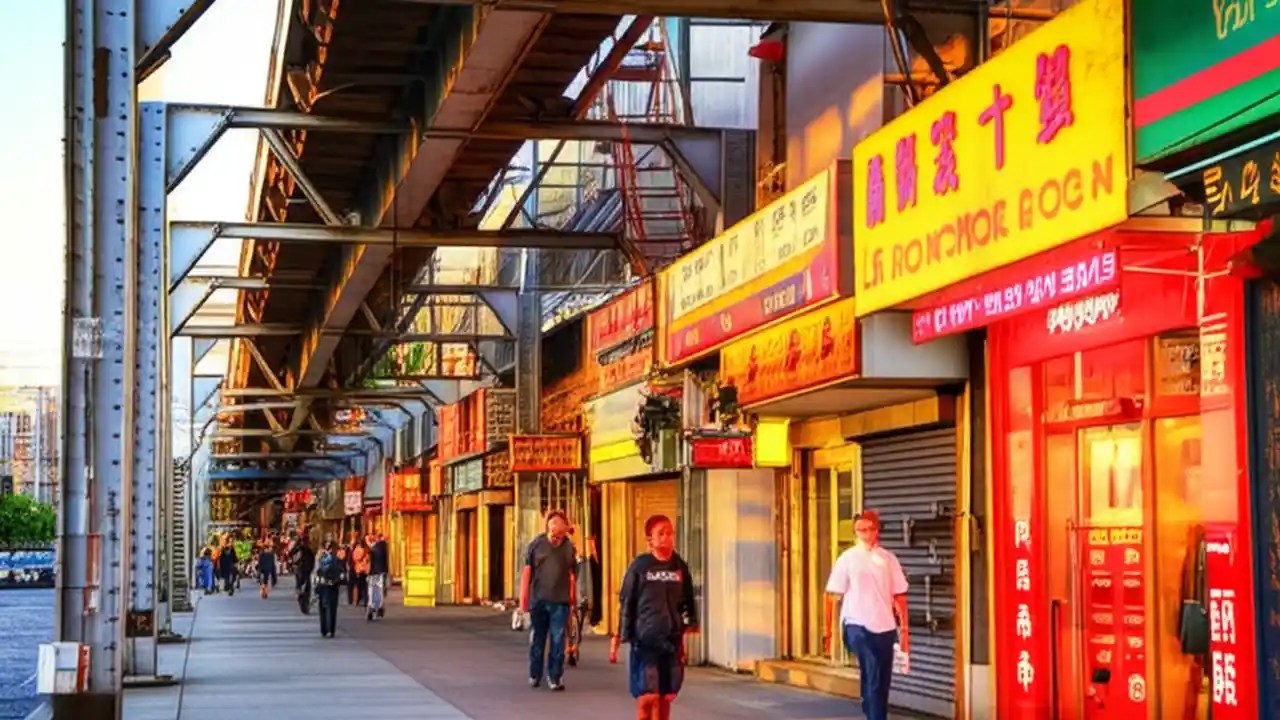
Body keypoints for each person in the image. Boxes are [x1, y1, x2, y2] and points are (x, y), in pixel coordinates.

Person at [609, 514, 698, 720]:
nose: (667, 538)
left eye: (670, 533)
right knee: (649, 695)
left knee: (665, 697)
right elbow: (627, 602)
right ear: (650, 540)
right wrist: (619, 637)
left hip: (671, 641)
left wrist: (689, 625)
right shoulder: (640, 567)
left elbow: (687, 600)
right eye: (661, 534)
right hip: (645, 640)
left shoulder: (679, 567)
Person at [824, 510, 909, 720]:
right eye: (861, 530)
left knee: (881, 678)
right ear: (855, 532)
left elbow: (899, 596)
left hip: (885, 626)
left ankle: (869, 705)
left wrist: (905, 631)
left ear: (877, 530)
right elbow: (832, 595)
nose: (866, 534)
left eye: (870, 529)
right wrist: (829, 632)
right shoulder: (847, 558)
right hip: (856, 624)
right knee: (873, 670)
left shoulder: (888, 559)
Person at [520, 510, 576, 691]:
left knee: (558, 640)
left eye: (560, 524)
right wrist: (524, 602)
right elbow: (527, 574)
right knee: (538, 639)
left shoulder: (569, 547)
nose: (555, 528)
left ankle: (555, 677)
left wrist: (573, 600)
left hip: (560, 602)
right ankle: (535, 674)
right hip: (539, 601)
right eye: (553, 524)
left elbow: (573, 575)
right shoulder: (536, 545)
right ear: (547, 526)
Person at [314, 540, 345, 638]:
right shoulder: (325, 559)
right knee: (330, 608)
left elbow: (317, 572)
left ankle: (326, 629)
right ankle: (329, 629)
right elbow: (342, 572)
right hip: (329, 585)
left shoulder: (322, 558)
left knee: (325, 607)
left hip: (326, 585)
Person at [291, 535, 316, 614]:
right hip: (299, 571)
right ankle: (301, 599)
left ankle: (306, 604)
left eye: (307, 542)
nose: (306, 543)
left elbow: (312, 561)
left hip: (306, 572)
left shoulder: (309, 551)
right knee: (300, 587)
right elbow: (292, 557)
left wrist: (311, 569)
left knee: (307, 588)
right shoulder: (298, 550)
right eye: (305, 541)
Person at [367, 533, 389, 621]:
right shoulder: (383, 547)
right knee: (380, 590)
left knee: (372, 590)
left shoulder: (373, 548)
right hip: (381, 572)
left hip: (373, 572)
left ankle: (372, 606)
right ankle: (379, 607)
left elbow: (369, 562)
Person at [352, 537, 371, 607]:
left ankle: (357, 601)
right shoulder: (366, 550)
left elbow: (354, 559)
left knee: (359, 586)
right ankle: (364, 601)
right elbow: (368, 560)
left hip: (359, 570)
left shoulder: (356, 550)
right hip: (364, 570)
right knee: (365, 587)